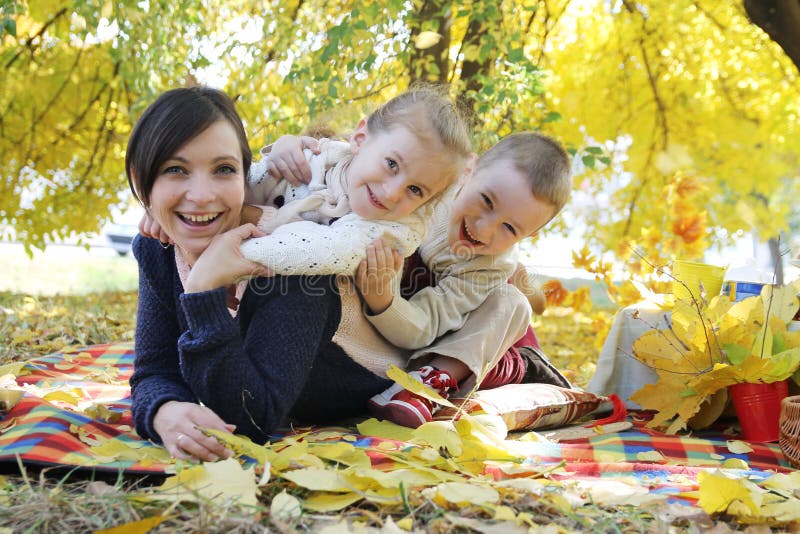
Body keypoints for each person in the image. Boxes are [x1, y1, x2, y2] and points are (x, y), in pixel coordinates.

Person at [127, 86, 412, 461]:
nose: (200, 195)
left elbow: (250, 418)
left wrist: (202, 293)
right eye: (175, 170)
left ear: (245, 180)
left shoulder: (295, 257)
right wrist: (163, 411)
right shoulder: (158, 247)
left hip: (372, 375)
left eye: (223, 170)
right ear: (142, 179)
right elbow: (153, 370)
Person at [269, 131, 573, 428]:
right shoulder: (432, 179)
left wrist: (382, 300)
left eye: (509, 228)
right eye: (487, 201)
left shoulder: (493, 266)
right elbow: (366, 155)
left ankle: (427, 385)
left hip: (433, 341)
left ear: (528, 235)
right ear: (469, 170)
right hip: (374, 324)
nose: (484, 229)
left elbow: (427, 326)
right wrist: (291, 145)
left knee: (513, 304)